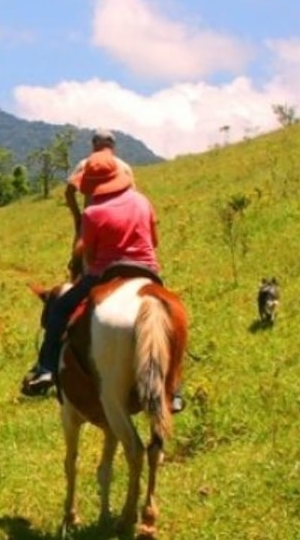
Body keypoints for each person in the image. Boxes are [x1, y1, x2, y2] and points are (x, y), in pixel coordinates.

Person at [21, 151, 184, 412]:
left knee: (61, 308)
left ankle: (46, 368)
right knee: (169, 317)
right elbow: (154, 241)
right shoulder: (142, 201)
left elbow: (90, 255)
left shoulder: (92, 213)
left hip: (106, 274)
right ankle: (174, 388)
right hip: (147, 271)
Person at [64, 129, 135, 277]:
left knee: (79, 269)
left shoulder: (85, 164)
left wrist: (78, 218)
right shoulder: (125, 167)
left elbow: (69, 192)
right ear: (113, 147)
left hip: (91, 221)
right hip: (121, 224)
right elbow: (133, 198)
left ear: (93, 145)